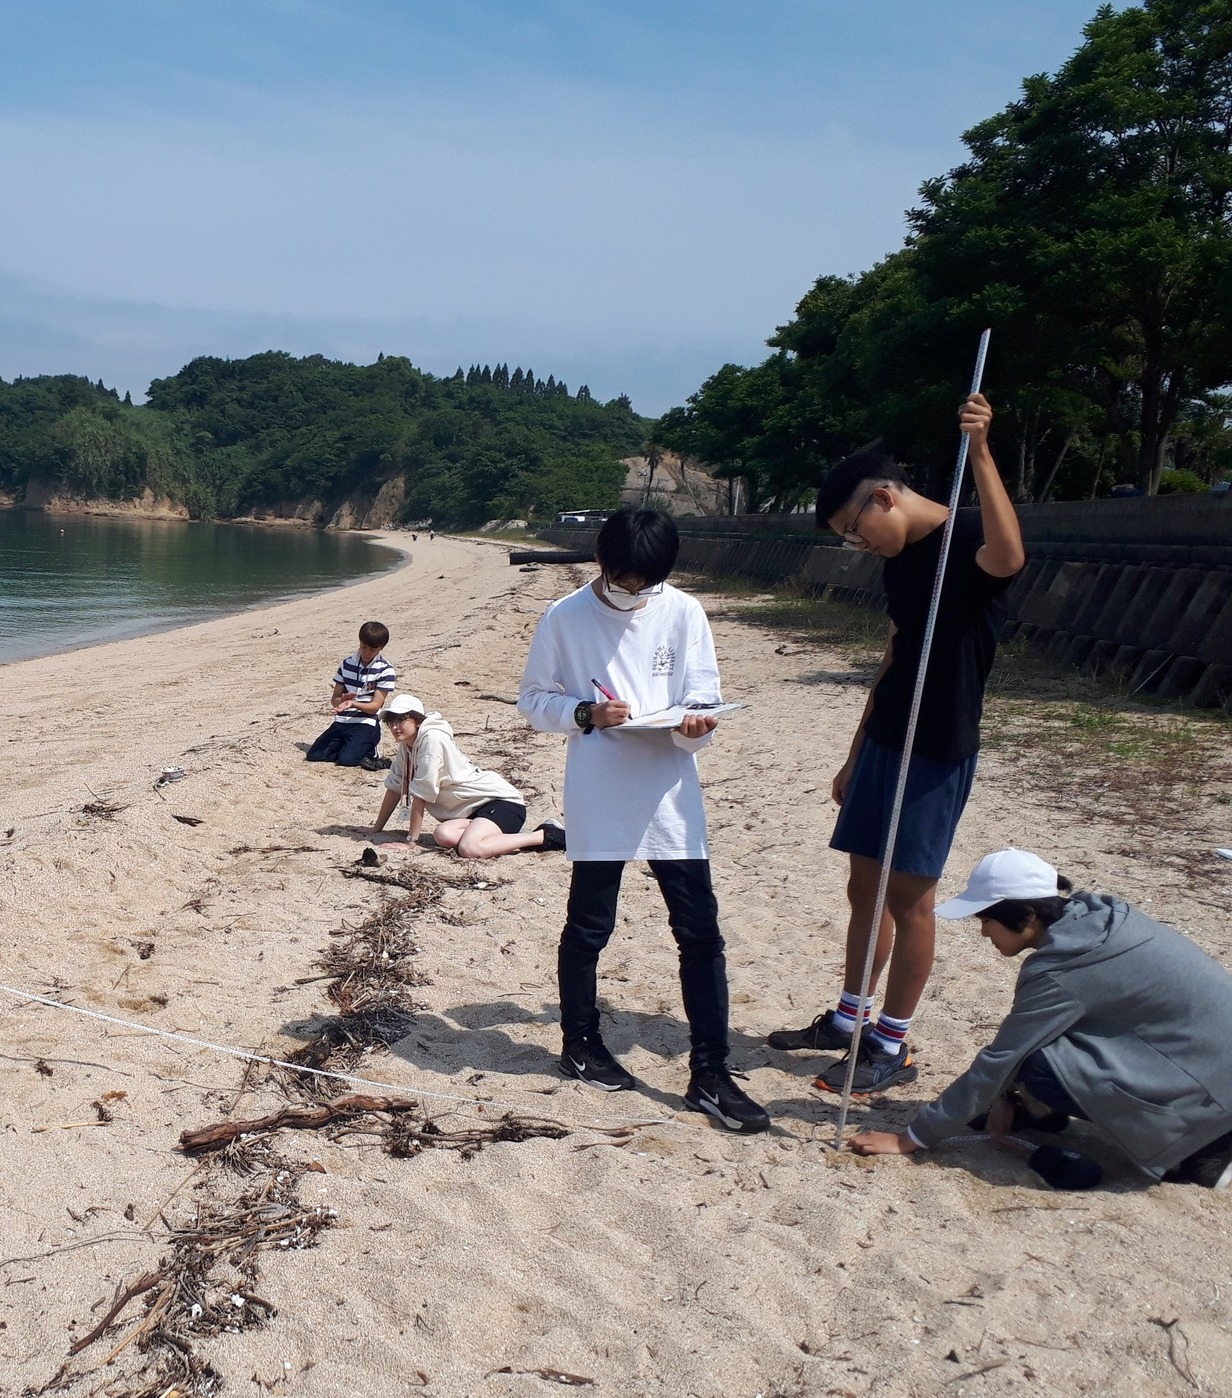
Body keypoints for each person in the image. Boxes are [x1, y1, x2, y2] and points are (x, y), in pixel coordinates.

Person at [770, 394, 1027, 1095]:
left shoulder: (963, 541)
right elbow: (893, 653)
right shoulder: (900, 562)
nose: (858, 545)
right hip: (888, 736)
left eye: (856, 530)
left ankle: (893, 1044)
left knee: (912, 897)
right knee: (865, 886)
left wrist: (980, 450)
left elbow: (1009, 557)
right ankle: (850, 1019)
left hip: (938, 745)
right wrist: (856, 751)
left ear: (884, 498)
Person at [517, 507, 768, 1134]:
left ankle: (710, 1071)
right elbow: (534, 699)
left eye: (647, 583)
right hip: (600, 787)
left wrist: (695, 724)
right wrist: (584, 713)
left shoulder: (682, 611)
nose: (636, 593)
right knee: (590, 925)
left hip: (668, 791)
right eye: (627, 581)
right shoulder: (566, 616)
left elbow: (705, 696)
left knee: (700, 932)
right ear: (603, 564)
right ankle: (580, 1042)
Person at [849, 849, 1232, 1190]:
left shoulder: (1064, 967)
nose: (984, 933)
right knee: (1041, 1048)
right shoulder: (1097, 919)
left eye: (987, 920)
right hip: (1202, 1055)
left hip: (1213, 1092)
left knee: (1036, 1063)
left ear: (1028, 914)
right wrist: (1003, 1097)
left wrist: (910, 1139)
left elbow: (1002, 1057)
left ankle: (1203, 1147)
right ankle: (1041, 1112)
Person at [368, 694, 563, 857]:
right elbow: (395, 785)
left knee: (469, 848)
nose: (395, 727)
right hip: (471, 812)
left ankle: (543, 835)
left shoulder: (432, 739)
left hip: (501, 802)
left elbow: (422, 792)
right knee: (444, 835)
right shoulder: (408, 745)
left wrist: (411, 842)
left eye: (401, 719)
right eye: (391, 722)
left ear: (417, 719)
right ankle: (506, 836)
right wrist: (376, 828)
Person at [307, 620, 397, 770]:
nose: (366, 653)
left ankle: (370, 752)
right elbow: (334, 699)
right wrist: (341, 700)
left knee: (347, 760)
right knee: (314, 755)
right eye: (364, 647)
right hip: (343, 721)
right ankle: (350, 747)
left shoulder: (385, 670)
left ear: (381, 648)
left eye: (372, 649)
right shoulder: (347, 664)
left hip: (365, 722)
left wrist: (353, 704)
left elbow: (375, 707)